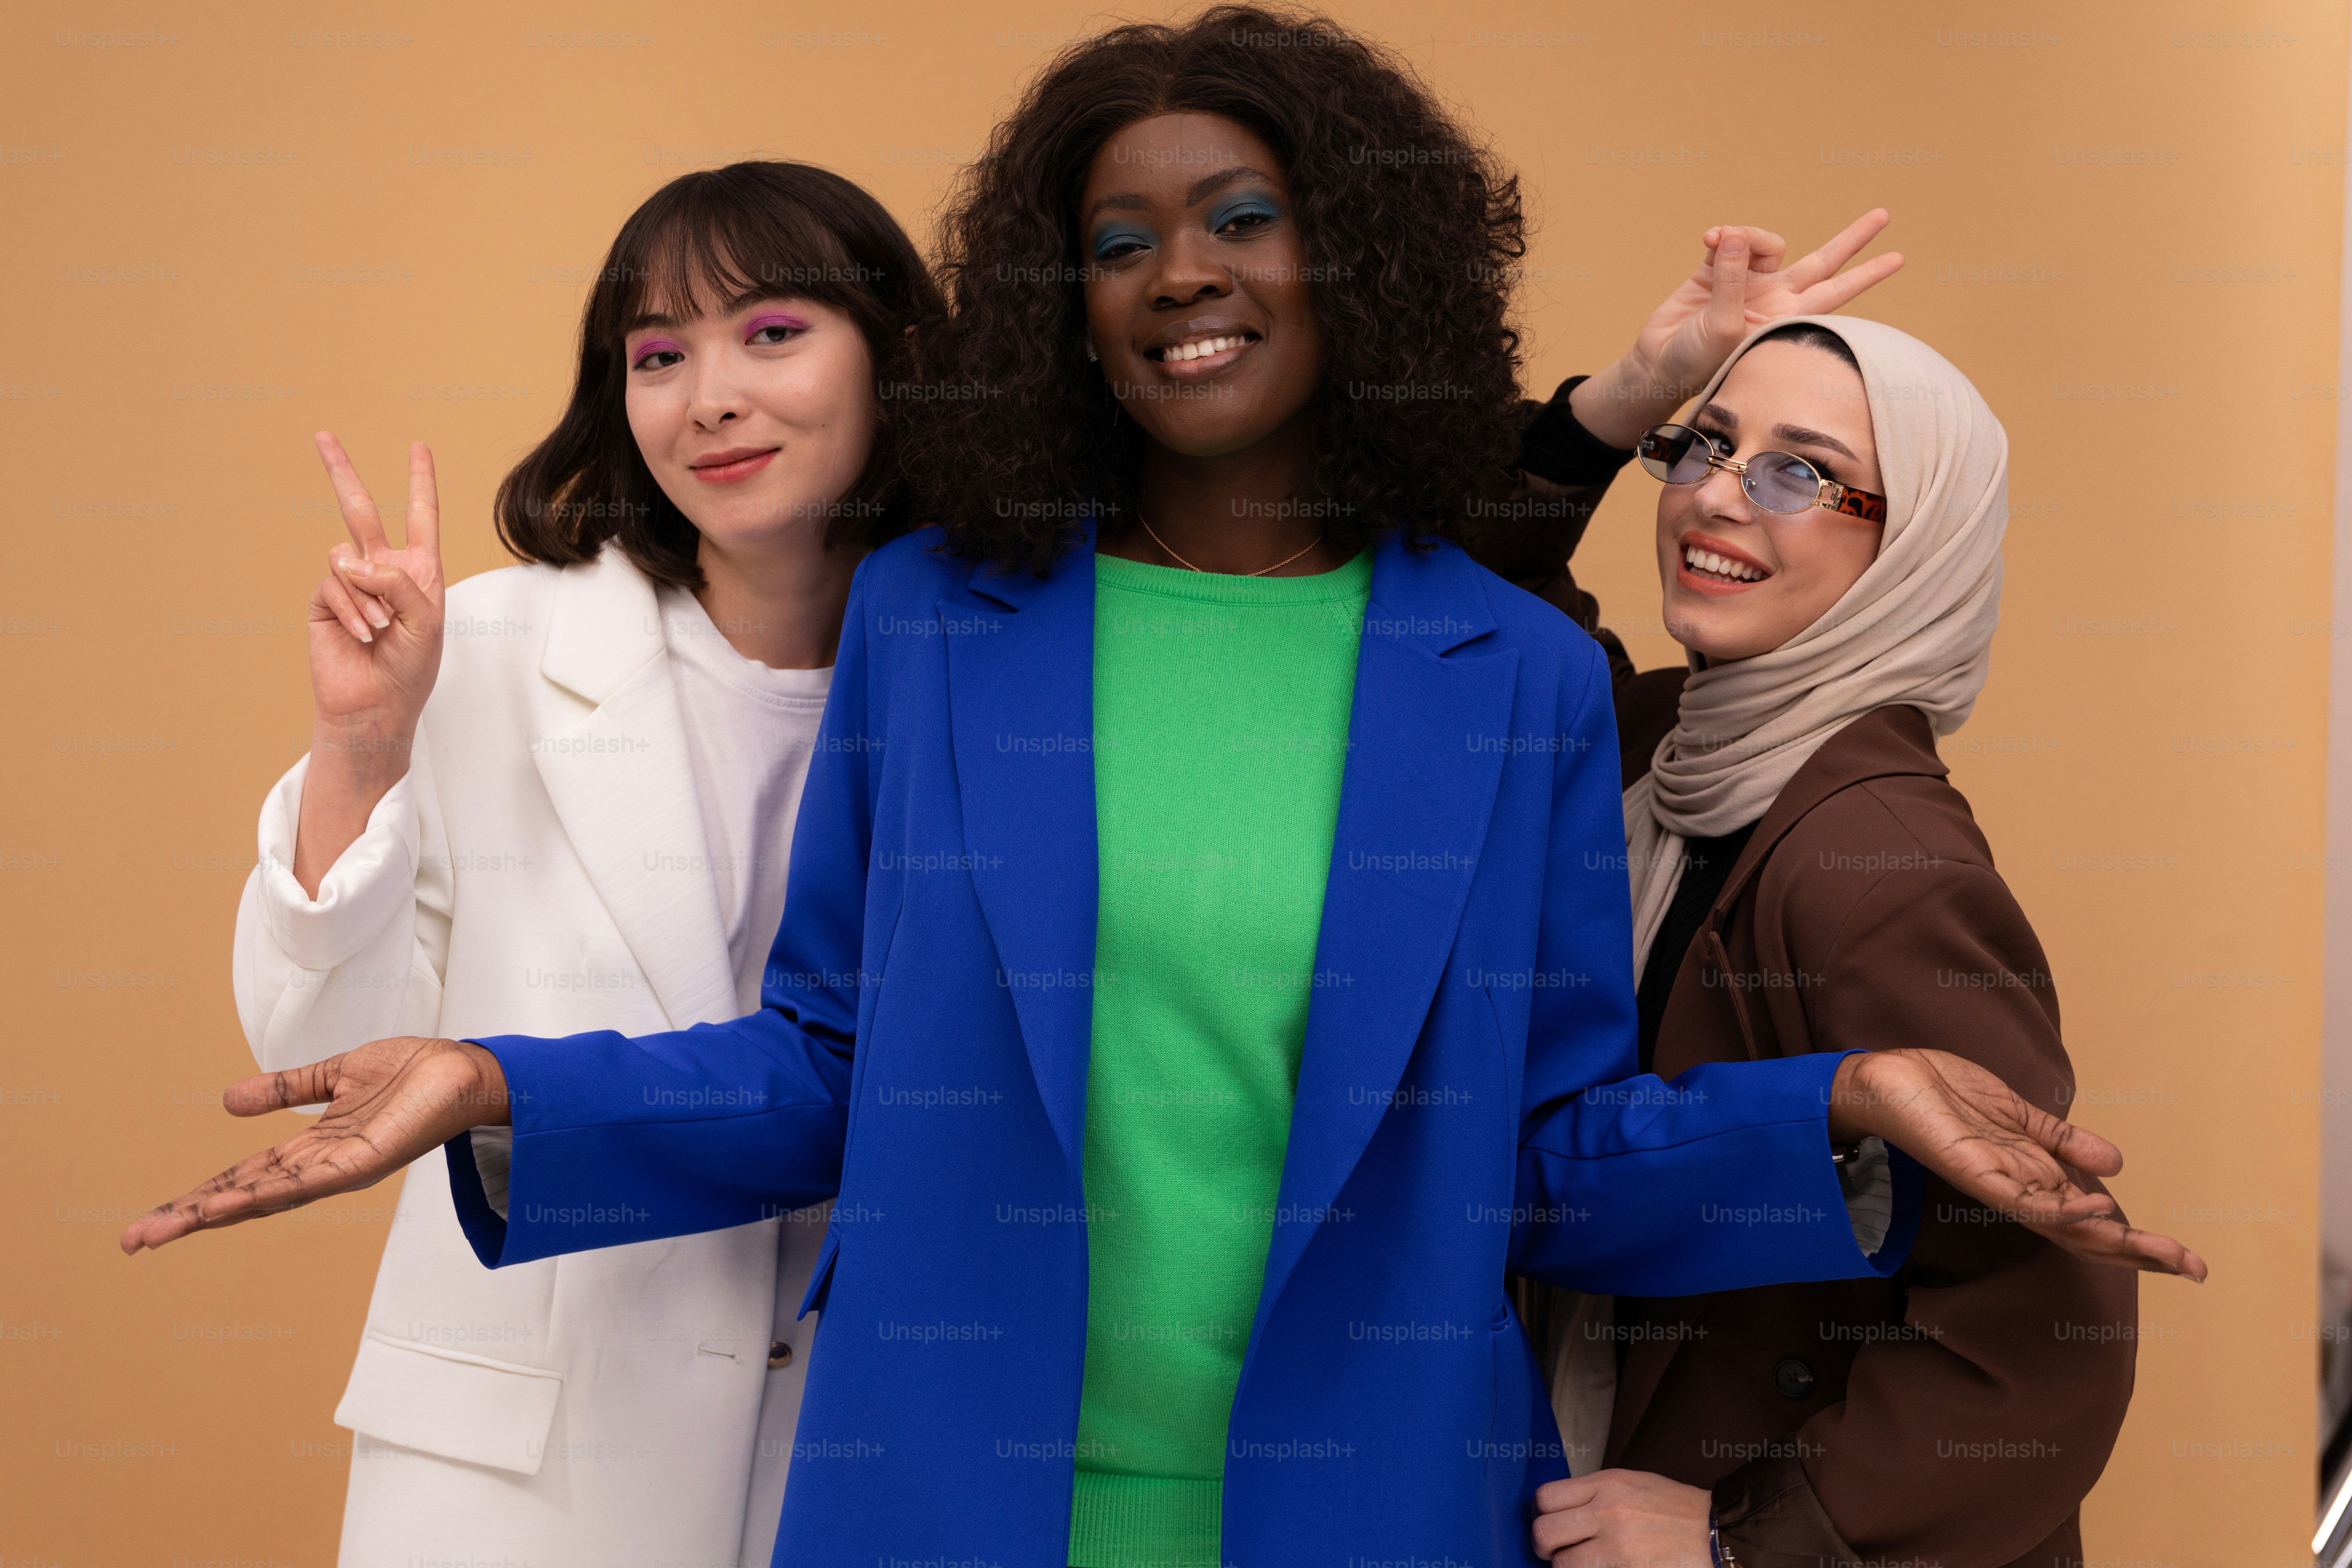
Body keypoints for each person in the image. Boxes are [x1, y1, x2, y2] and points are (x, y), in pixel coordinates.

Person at [130, 13, 2200, 1568]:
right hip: (946, 1503)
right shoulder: (943, 620)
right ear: (1065, 303)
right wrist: (506, 1088)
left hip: (1371, 1508)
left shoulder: (1517, 678)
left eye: (1241, 219)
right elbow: (830, 1063)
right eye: (1119, 240)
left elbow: (1546, 1153)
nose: (1179, 273)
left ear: (1357, 261)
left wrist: (1839, 1111)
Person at [225, 161, 944, 1568]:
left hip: (853, 1455)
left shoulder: (986, 681)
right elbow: (322, 1048)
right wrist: (362, 743)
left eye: (775, 333)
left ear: (900, 360)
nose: (711, 397)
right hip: (521, 1473)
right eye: (659, 356)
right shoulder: (486, 646)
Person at [1492, 315, 2135, 1568]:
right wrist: (1622, 399)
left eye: (1800, 470)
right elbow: (1467, 613)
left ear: (1916, 546)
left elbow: (2044, 1329)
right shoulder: (1655, 746)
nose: (1717, 499)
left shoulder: (1882, 866)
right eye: (1704, 446)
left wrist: (1750, 1542)